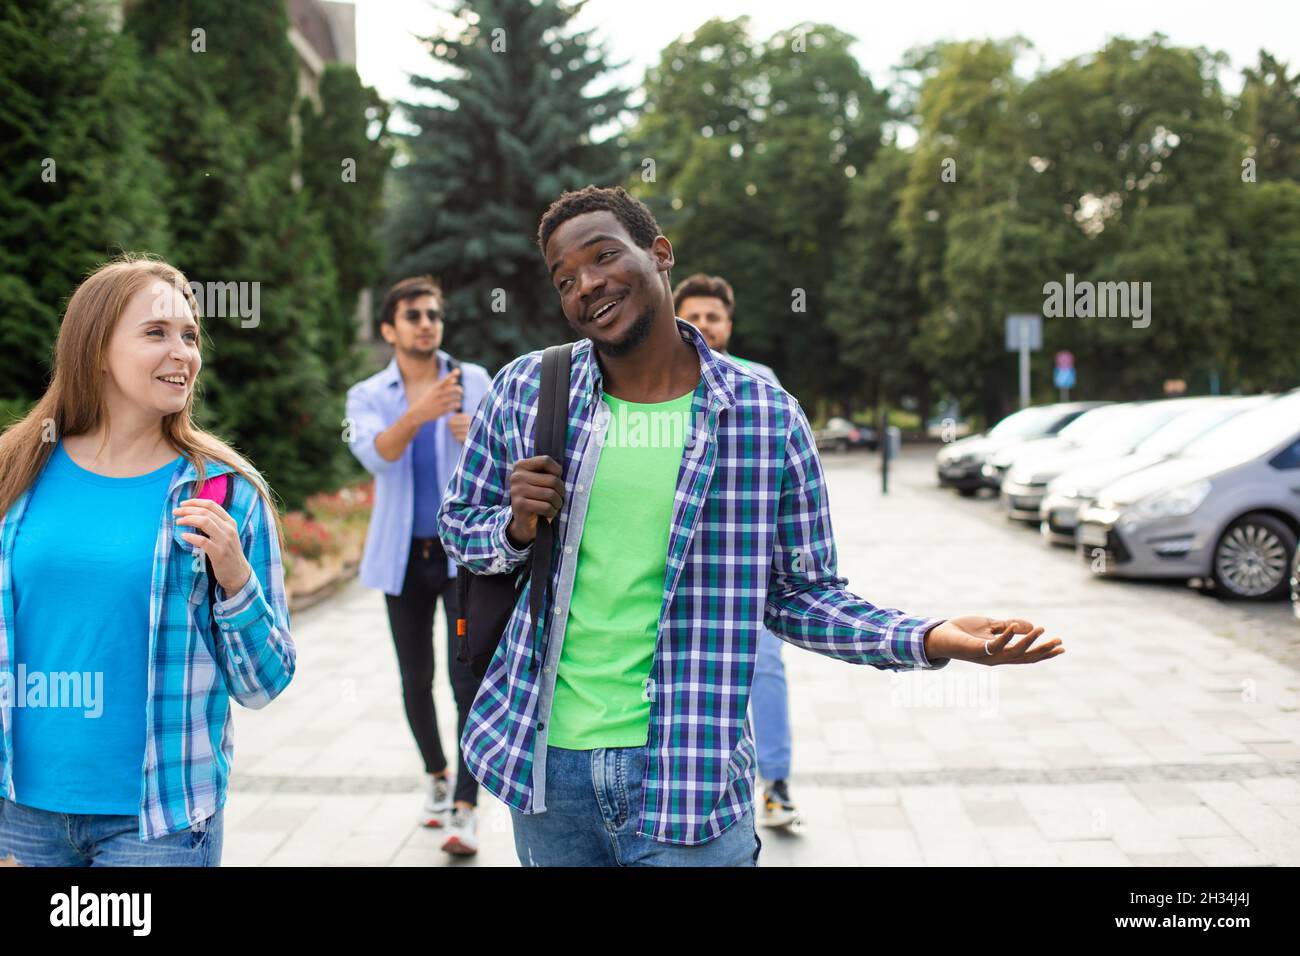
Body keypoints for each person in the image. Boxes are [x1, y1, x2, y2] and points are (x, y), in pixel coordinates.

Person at [438, 186, 1064, 867]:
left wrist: (928, 638)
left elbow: (801, 593)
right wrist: (516, 528)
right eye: (566, 278)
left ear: (660, 253)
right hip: (546, 776)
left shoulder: (764, 416)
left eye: (604, 256)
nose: (588, 284)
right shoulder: (528, 390)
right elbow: (459, 528)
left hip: (688, 776)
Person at [0, 256, 295, 866]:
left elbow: (264, 683)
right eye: (156, 333)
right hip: (19, 813)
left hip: (157, 823)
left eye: (190, 335)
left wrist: (236, 579)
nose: (183, 352)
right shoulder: (15, 470)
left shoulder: (226, 492)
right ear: (96, 349)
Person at [345, 275, 491, 855]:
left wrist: (476, 432)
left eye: (434, 313)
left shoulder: (475, 380)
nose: (427, 322)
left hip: (462, 561)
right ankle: (435, 775)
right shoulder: (368, 394)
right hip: (404, 559)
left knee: (467, 681)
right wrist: (419, 412)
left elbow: (511, 451)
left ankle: (465, 805)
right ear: (390, 329)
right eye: (414, 315)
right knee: (415, 679)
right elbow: (373, 453)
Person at [675, 273, 797, 829]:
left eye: (713, 317)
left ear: (729, 324)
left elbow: (789, 478)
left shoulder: (762, 383)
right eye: (693, 316)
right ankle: (700, 792)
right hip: (680, 561)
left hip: (749, 559)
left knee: (765, 667)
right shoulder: (659, 382)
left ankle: (775, 783)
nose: (704, 326)